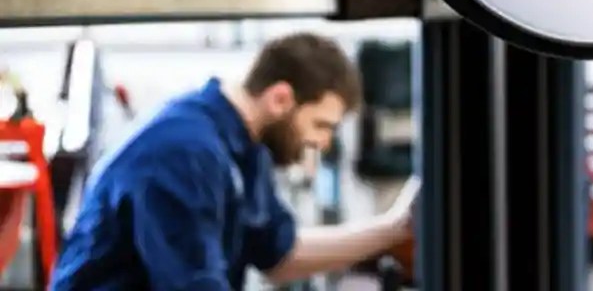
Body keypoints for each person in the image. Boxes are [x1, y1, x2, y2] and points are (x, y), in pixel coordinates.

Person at [50, 32, 420, 290]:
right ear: (280, 99)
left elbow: (281, 256)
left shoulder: (245, 146)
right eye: (320, 125)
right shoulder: (186, 153)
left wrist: (397, 227)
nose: (321, 143)